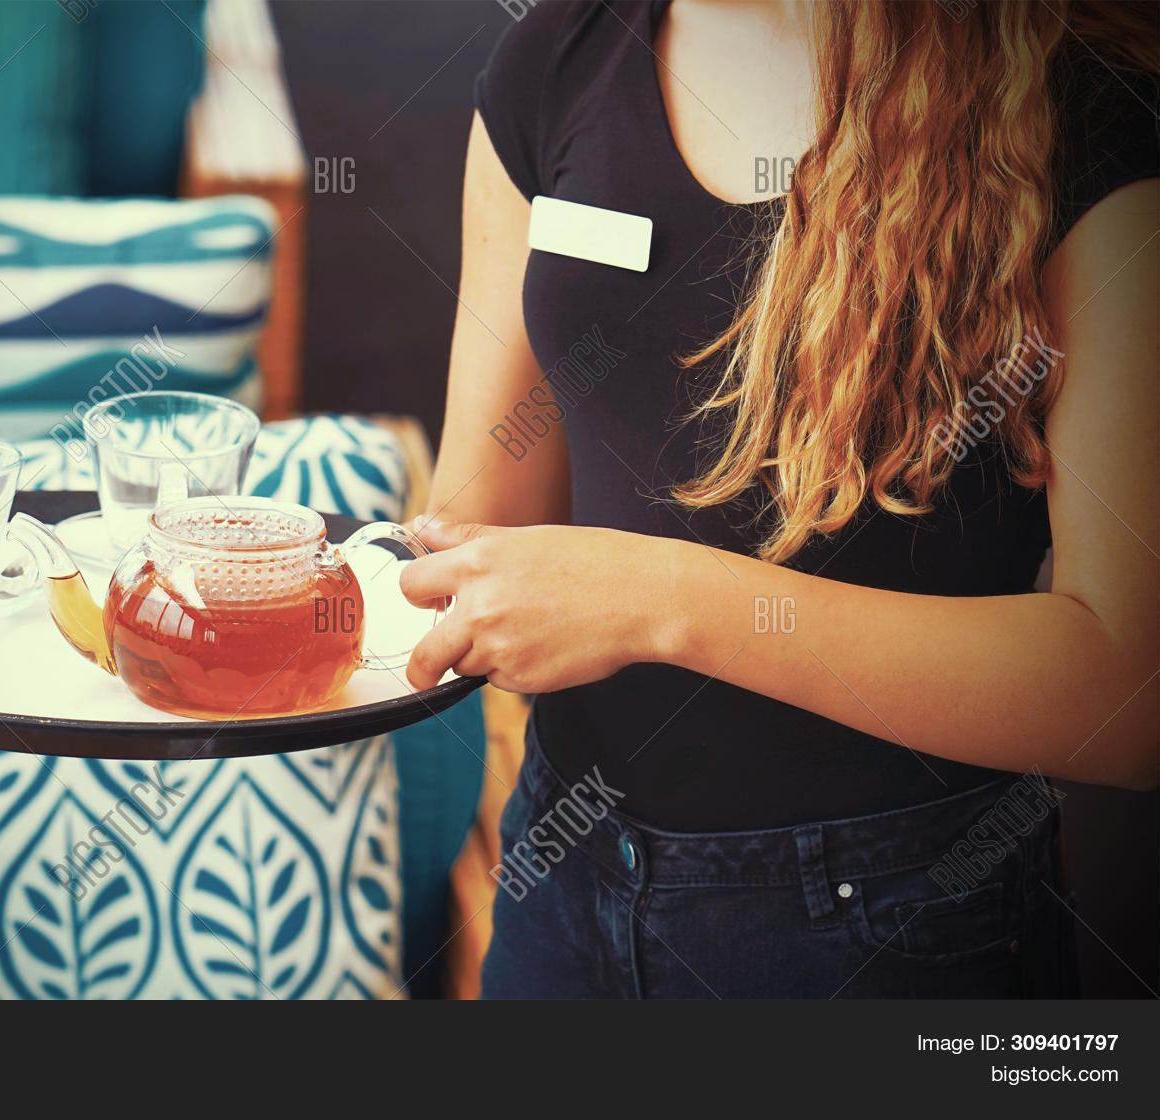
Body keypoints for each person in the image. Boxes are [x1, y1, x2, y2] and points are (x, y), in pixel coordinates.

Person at [401, 0, 1159, 998]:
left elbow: (1128, 693)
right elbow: (480, 520)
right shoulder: (555, 58)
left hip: (896, 922)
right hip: (567, 875)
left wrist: (663, 601)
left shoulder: (1086, 109)